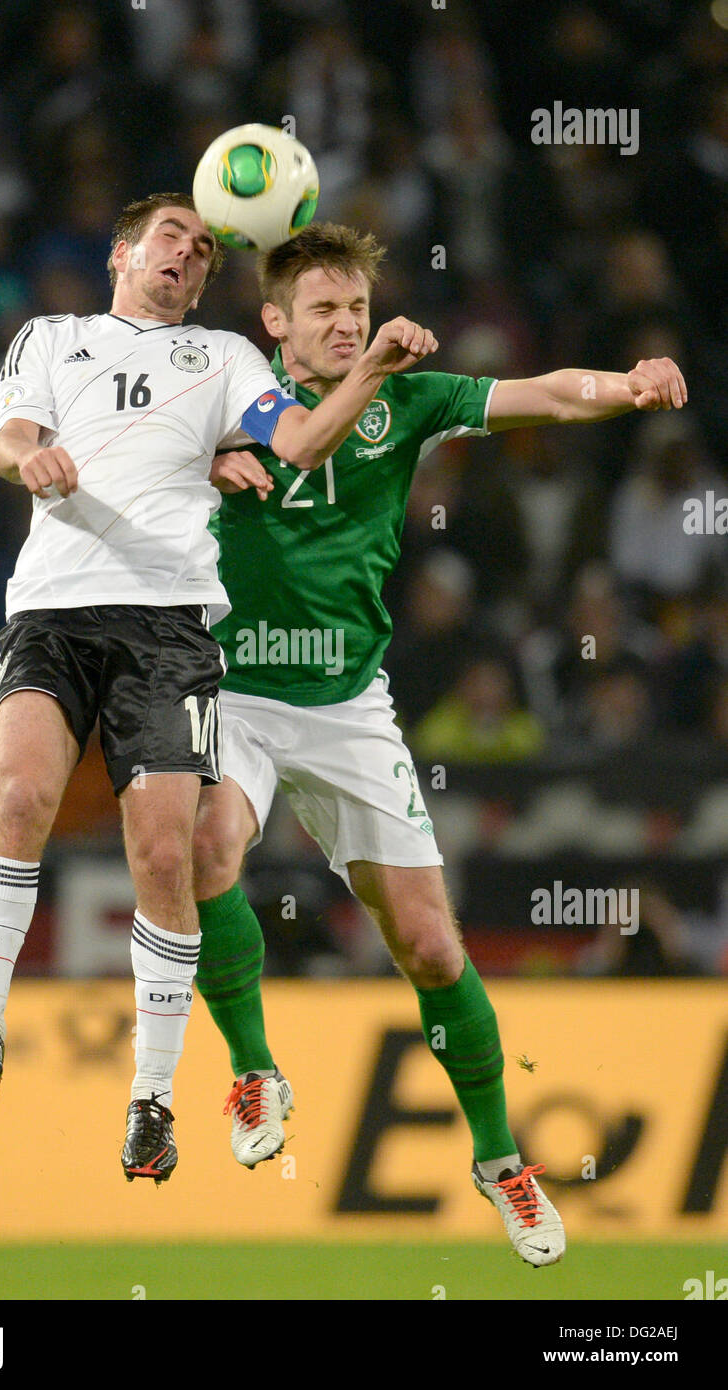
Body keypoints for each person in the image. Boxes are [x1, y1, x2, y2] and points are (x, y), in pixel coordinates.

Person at [193, 221, 686, 1265]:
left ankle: (501, 1157)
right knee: (201, 851)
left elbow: (542, 392)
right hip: (233, 691)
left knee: (429, 943)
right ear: (274, 323)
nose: (346, 324)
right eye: (323, 308)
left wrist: (627, 385)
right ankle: (253, 1068)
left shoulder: (407, 402)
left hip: (346, 703)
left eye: (357, 309)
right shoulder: (220, 401)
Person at [0, 195, 438, 1187]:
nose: (191, 253)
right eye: (174, 236)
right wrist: (28, 457)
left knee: (167, 855)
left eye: (207, 248)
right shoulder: (53, 335)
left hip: (174, 631)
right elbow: (10, 438)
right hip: (51, 609)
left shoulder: (224, 361)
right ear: (123, 251)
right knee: (21, 797)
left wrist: (375, 367)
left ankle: (152, 1099)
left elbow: (300, 444)